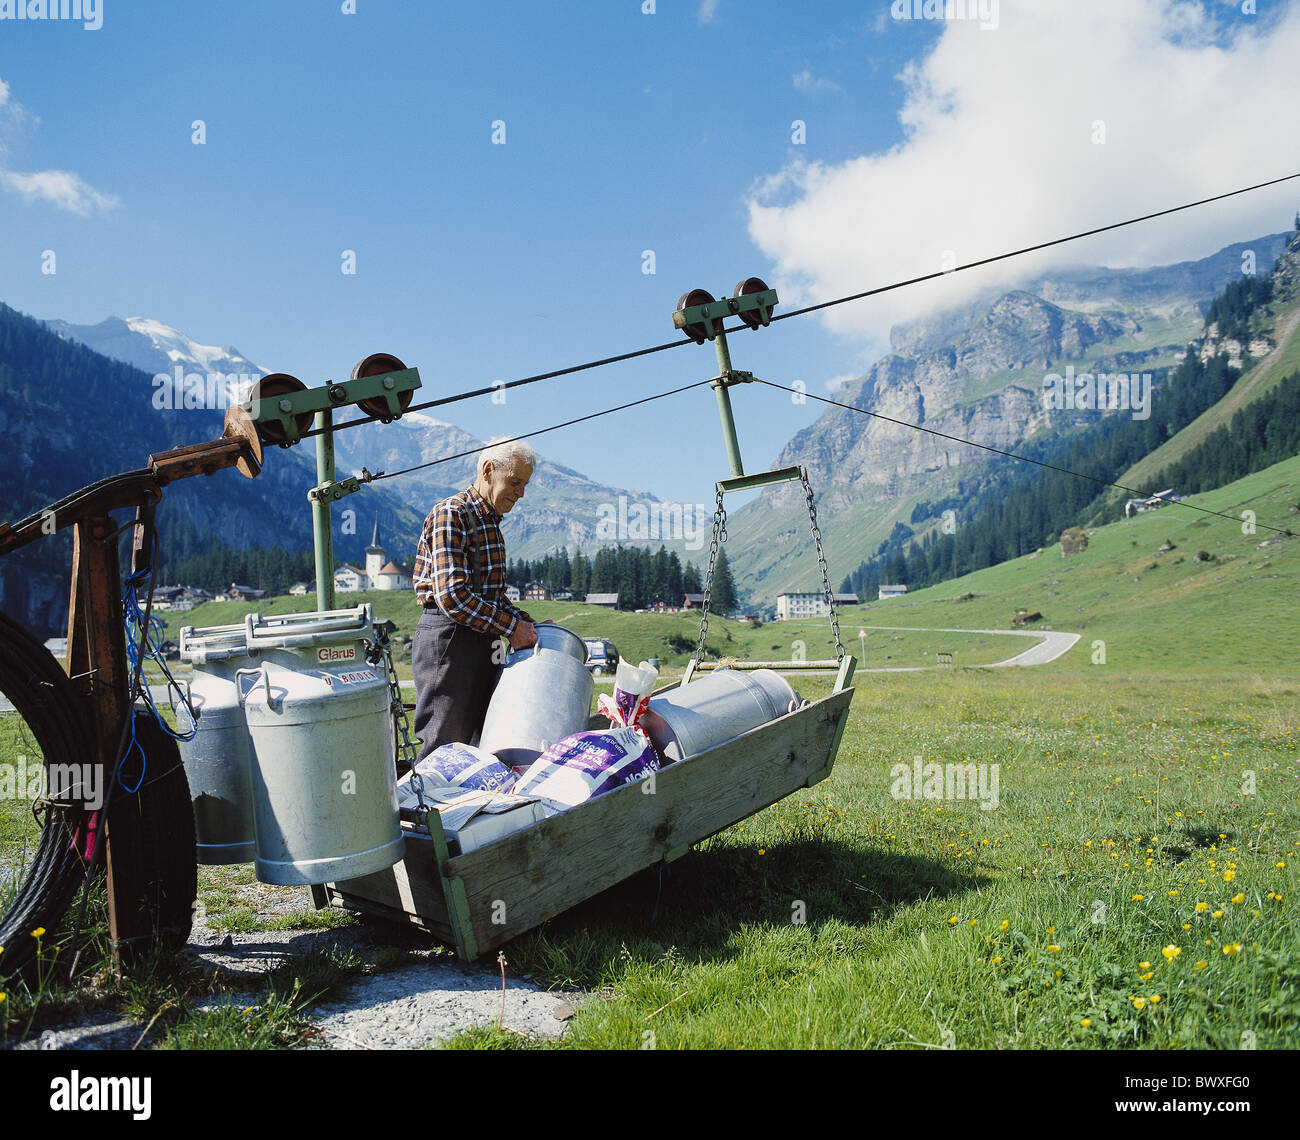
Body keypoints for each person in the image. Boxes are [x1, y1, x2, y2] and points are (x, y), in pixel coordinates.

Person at [410, 438, 538, 760]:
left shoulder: (490, 523)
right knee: (444, 746)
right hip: (449, 641)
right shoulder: (452, 514)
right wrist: (511, 627)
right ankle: (432, 809)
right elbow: (453, 597)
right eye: (515, 482)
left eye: (524, 485)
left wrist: (526, 624)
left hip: (481, 641)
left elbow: (491, 597)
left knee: (484, 745)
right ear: (487, 470)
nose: (520, 493)